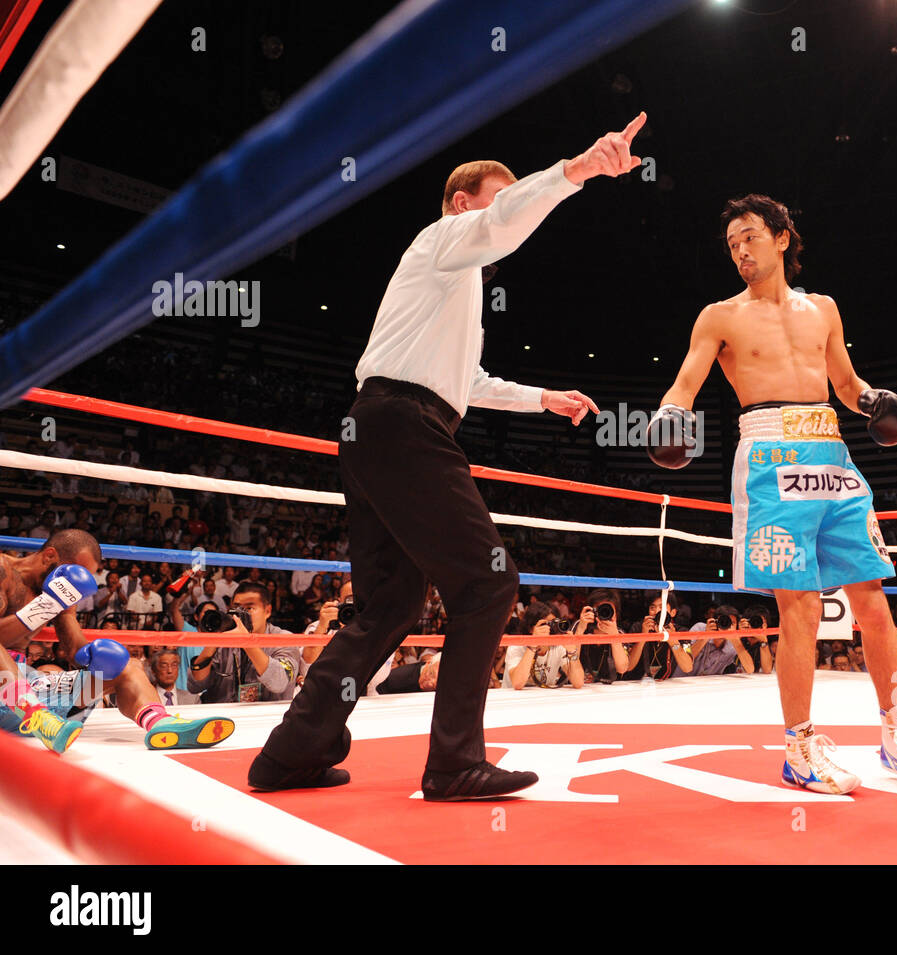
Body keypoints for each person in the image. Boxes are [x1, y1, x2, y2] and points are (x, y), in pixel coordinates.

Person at [248, 115, 646, 798]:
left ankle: (291, 751)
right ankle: (455, 761)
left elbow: (468, 382)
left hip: (377, 424)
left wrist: (540, 397)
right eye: (498, 198)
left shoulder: (452, 282)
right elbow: (506, 220)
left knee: (390, 603)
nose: (506, 210)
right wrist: (577, 170)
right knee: (488, 583)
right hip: (404, 426)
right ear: (463, 203)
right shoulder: (442, 239)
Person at [650, 194, 897, 794]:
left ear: (782, 238)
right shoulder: (719, 316)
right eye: (732, 245)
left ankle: (896, 735)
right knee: (800, 606)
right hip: (769, 456)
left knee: (873, 601)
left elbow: (844, 381)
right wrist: (668, 415)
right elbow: (684, 385)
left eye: (751, 238)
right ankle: (800, 748)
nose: (741, 252)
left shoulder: (825, 309)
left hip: (832, 455)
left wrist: (873, 401)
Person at [0, 530, 234, 752]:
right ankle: (36, 716)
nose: (74, 582)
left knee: (128, 667)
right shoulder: (4, 570)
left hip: (28, 696)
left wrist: (95, 655)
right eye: (74, 571)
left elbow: (74, 651)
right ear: (50, 555)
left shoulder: (62, 590)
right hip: (15, 697)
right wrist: (48, 604)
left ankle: (160, 724)